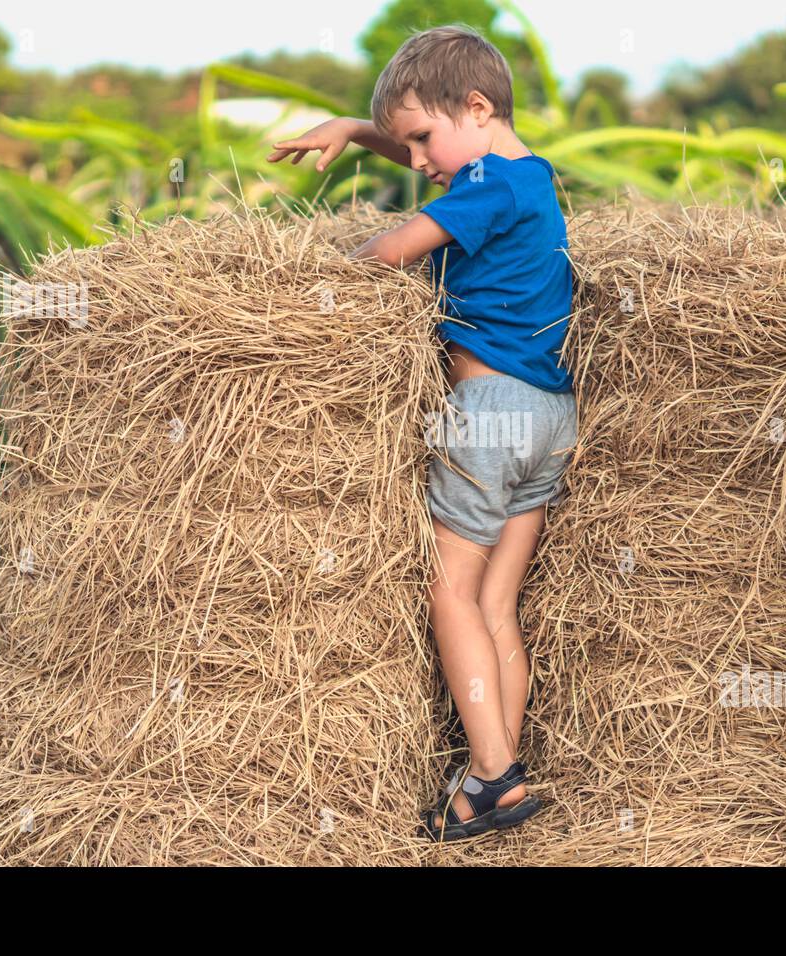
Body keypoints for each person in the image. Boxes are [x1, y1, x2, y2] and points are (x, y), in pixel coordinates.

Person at [267, 23, 577, 842]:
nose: (415, 165)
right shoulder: (531, 177)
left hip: (487, 417)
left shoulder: (483, 189)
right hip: (549, 419)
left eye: (420, 142)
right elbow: (443, 155)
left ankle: (490, 776)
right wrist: (355, 130)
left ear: (475, 108)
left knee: (449, 592)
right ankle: (501, 766)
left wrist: (301, 283)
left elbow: (391, 251)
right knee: (496, 603)